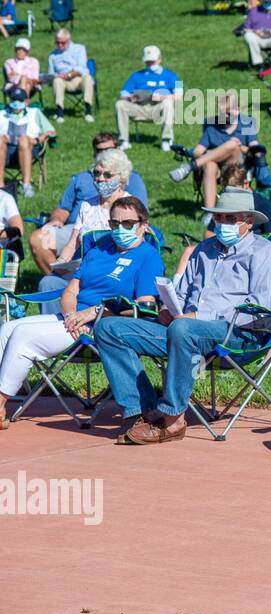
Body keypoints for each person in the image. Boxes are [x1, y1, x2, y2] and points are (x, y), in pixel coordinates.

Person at [95, 189, 271, 445]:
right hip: (183, 332)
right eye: (219, 219)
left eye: (231, 219)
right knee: (109, 328)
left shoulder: (264, 252)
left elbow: (260, 306)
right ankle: (142, 413)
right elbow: (182, 293)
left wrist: (197, 316)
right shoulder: (204, 250)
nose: (222, 224)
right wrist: (169, 309)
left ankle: (173, 420)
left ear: (248, 222)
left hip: (238, 335)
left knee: (184, 328)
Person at [0, 196, 164, 430]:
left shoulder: (148, 257)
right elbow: (71, 290)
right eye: (114, 223)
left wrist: (94, 313)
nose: (120, 229)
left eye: (127, 223)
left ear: (143, 224)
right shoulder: (100, 248)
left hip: (103, 327)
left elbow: (143, 309)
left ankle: (0, 404)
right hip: (73, 321)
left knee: (23, 335)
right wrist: (71, 317)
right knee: (7, 328)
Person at [29, 134, 148, 275]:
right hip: (82, 251)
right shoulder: (86, 201)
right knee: (48, 282)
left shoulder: (131, 197)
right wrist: (61, 263)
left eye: (108, 175)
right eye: (97, 173)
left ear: (121, 177)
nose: (100, 179)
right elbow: (72, 240)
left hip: (113, 266)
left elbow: (138, 236)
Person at [168, 93, 260, 207]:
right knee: (209, 165)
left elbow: (256, 151)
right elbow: (198, 151)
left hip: (238, 166)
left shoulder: (247, 123)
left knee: (232, 144)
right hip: (218, 169)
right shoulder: (212, 125)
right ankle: (210, 213)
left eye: (228, 112)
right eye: (222, 113)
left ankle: (189, 167)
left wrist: (239, 146)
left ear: (237, 109)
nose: (225, 116)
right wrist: (208, 153)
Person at [115, 45, 180, 151]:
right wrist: (129, 98)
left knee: (168, 102)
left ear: (159, 59)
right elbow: (122, 93)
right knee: (120, 104)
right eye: (148, 62)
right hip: (139, 107)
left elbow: (178, 96)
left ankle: (166, 140)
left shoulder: (171, 75)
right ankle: (124, 141)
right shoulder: (136, 75)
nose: (150, 64)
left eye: (152, 62)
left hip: (159, 108)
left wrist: (161, 97)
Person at [2, 87, 55, 199]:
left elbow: (51, 132)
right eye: (13, 99)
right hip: (5, 151)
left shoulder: (34, 112)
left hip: (29, 149)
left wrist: (37, 139)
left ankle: (26, 186)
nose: (16, 103)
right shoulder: (2, 114)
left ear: (26, 101)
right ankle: (1, 187)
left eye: (20, 100)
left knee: (23, 139)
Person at [47, 28, 94, 124]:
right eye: (57, 42)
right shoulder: (52, 55)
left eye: (63, 43)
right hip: (62, 81)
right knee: (56, 81)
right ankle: (60, 112)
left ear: (69, 40)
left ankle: (88, 111)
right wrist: (57, 76)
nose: (60, 45)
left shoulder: (79, 49)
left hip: (78, 79)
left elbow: (82, 68)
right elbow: (51, 73)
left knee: (88, 78)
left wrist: (68, 75)